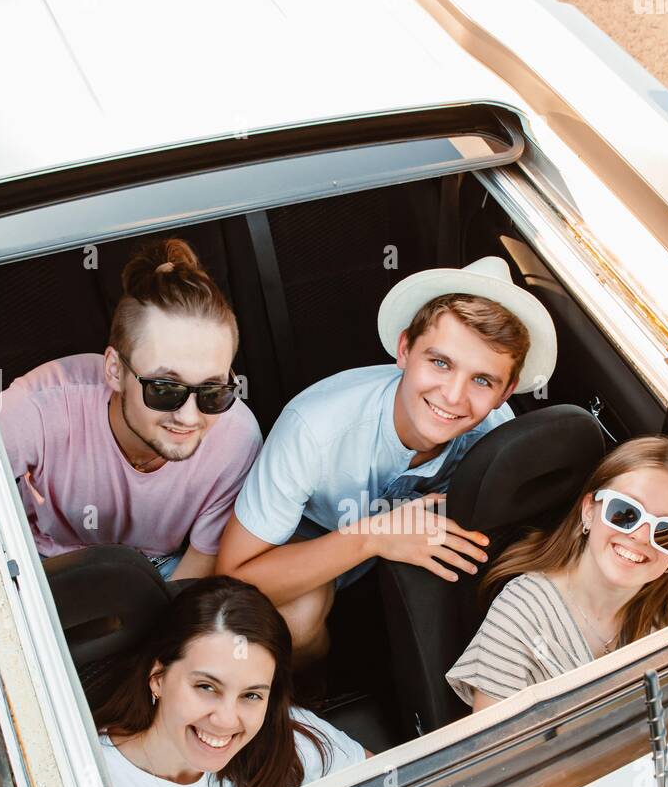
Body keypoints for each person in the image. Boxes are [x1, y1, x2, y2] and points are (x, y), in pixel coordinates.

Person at [216, 255, 557, 664]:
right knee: (298, 616)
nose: (453, 396)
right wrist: (373, 536)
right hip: (308, 542)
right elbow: (233, 579)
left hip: (411, 562)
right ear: (404, 349)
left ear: (507, 391)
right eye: (440, 362)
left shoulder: (498, 435)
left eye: (482, 380)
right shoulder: (313, 427)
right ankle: (311, 697)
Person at [0, 237, 262, 581]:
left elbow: (199, 564)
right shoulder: (44, 402)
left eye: (212, 391)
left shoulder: (236, 438)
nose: (189, 416)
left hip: (160, 572)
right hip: (43, 566)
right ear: (114, 370)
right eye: (165, 389)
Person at [446, 436, 668, 711]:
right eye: (625, 512)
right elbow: (497, 749)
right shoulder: (522, 610)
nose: (641, 536)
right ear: (589, 510)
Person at [91, 577, 367, 787]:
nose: (225, 720)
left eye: (251, 695)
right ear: (158, 679)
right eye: (206, 687)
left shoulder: (292, 737)